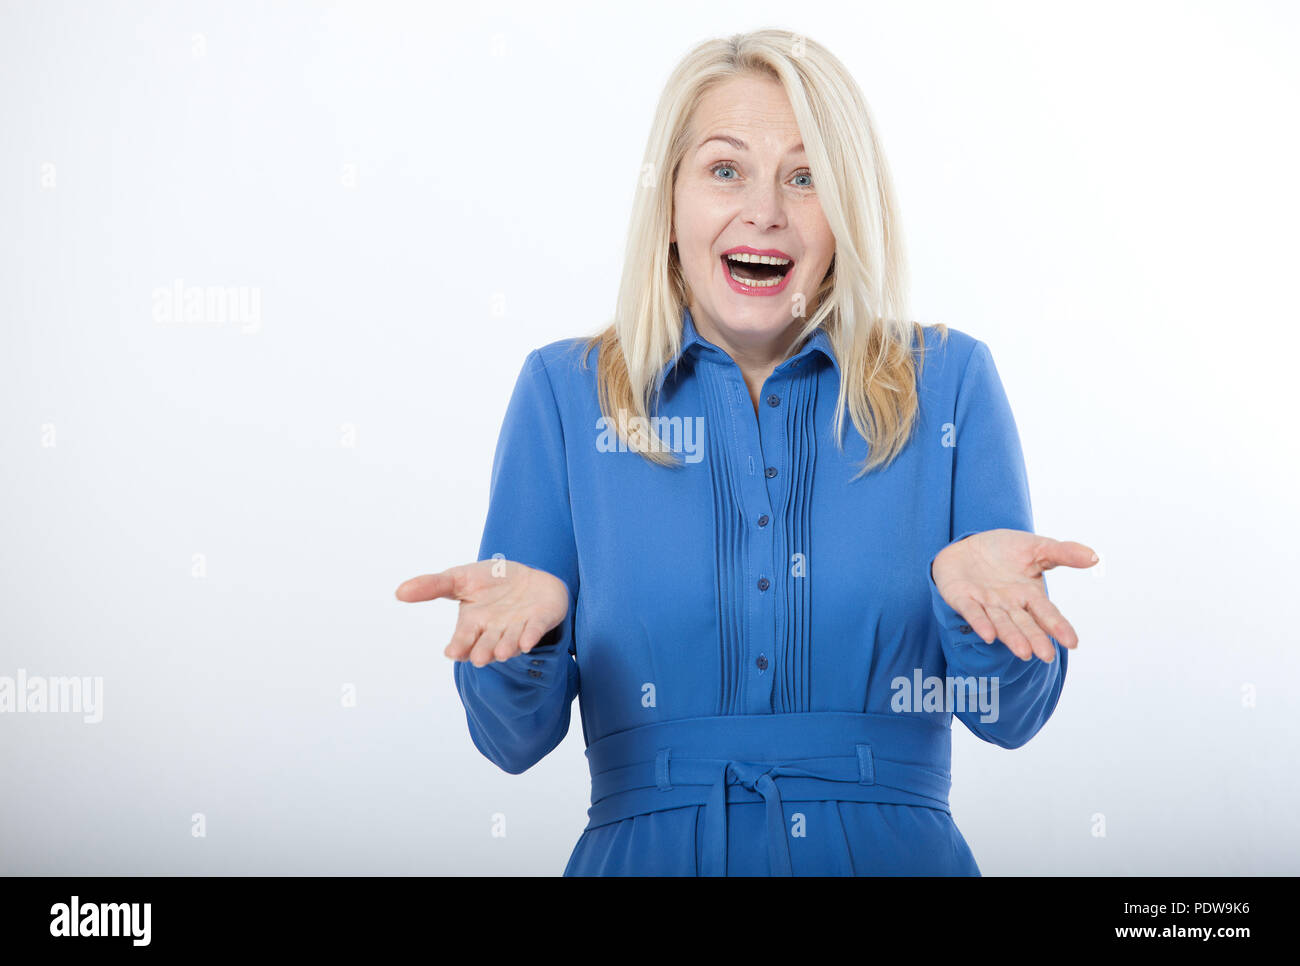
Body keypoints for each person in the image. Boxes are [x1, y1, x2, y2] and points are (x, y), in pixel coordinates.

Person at [396, 29, 1097, 875]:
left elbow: (1012, 718)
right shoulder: (564, 392)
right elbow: (510, 742)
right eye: (725, 170)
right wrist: (525, 648)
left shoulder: (948, 382)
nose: (765, 210)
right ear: (669, 204)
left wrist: (989, 630)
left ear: (850, 211)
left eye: (806, 178)